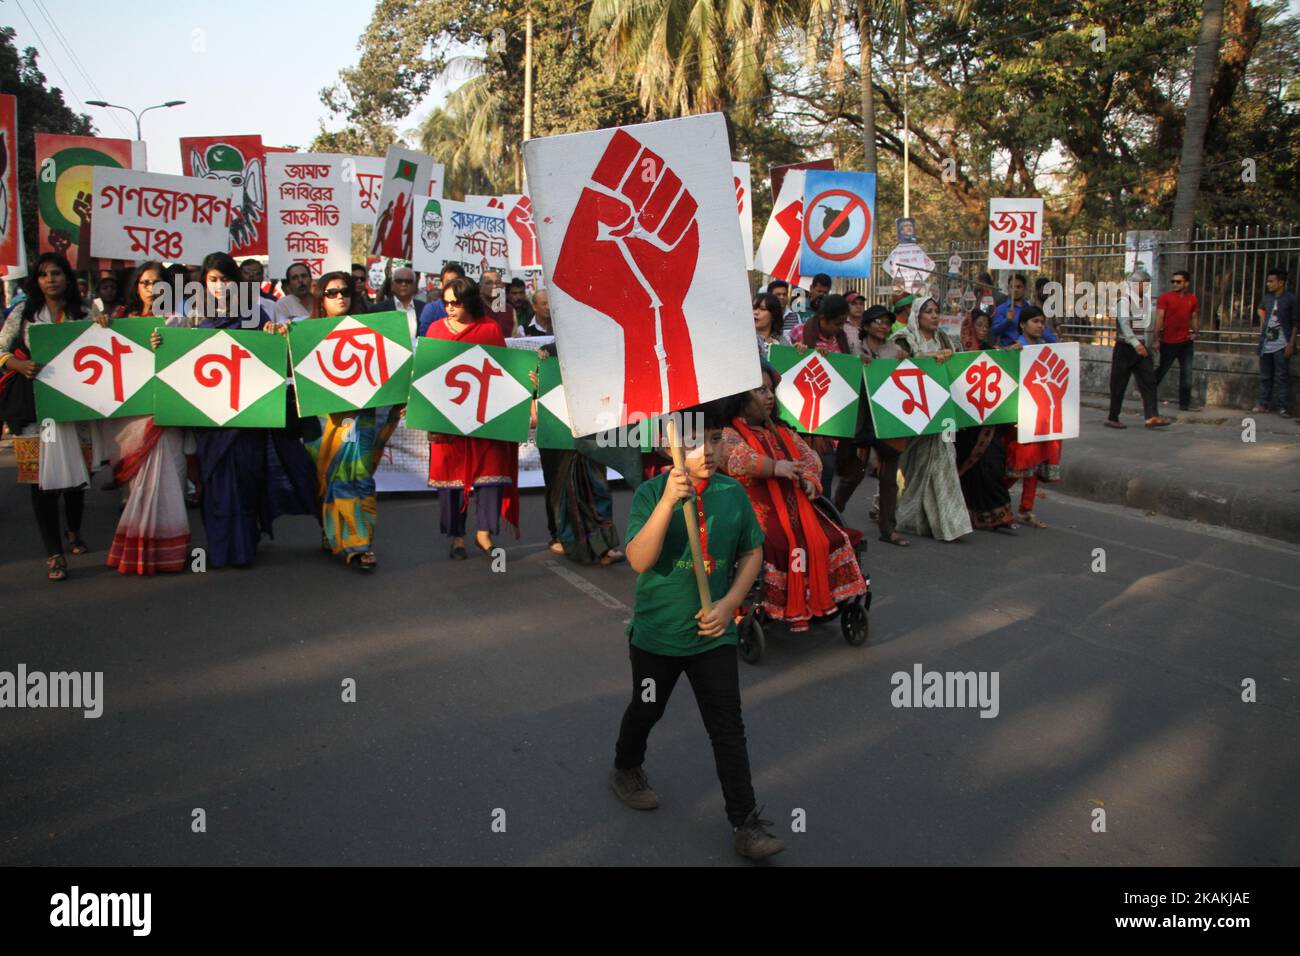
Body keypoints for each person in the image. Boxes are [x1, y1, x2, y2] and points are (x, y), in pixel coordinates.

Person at [610, 400, 784, 863]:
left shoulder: (731, 493)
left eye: (711, 439)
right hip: (657, 636)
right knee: (647, 708)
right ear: (669, 449)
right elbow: (640, 560)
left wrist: (729, 606)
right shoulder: (650, 493)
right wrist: (669, 501)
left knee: (728, 728)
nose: (704, 450)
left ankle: (745, 823)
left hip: (714, 636)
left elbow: (752, 554)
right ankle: (626, 765)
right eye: (690, 441)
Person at [179, 252, 317, 568]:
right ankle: (219, 548)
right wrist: (162, 343)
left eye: (225, 279)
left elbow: (278, 357)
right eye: (212, 280)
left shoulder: (255, 316)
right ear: (204, 283)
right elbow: (181, 360)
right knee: (215, 484)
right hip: (212, 420)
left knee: (246, 480)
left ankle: (243, 547)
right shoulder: (194, 318)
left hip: (249, 418)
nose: (219, 286)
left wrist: (278, 335)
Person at [721, 366, 868, 630]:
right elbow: (739, 459)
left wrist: (810, 480)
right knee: (784, 545)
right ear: (740, 399)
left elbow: (810, 458)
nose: (769, 397)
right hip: (755, 513)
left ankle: (812, 598)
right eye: (760, 390)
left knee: (833, 538)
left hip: (799, 509)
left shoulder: (783, 431)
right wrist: (777, 467)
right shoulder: (728, 434)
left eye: (771, 390)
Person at [0, 252, 99, 580]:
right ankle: (54, 554)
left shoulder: (85, 311)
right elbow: (0, 348)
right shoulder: (23, 311)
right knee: (40, 479)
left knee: (76, 479)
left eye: (57, 273)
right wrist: (17, 364)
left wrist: (104, 325)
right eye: (44, 274)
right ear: (36, 280)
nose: (51, 279)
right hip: (35, 406)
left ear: (68, 278)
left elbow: (107, 348)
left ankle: (73, 530)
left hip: (76, 404)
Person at [299, 271, 402, 571]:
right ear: (321, 299)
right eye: (331, 293)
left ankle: (359, 543)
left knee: (357, 477)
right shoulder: (307, 333)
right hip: (323, 421)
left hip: (362, 418)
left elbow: (391, 367)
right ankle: (333, 533)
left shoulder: (370, 332)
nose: (339, 297)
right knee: (329, 478)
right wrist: (276, 333)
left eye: (344, 291)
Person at [96, 260, 194, 574]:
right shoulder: (121, 320)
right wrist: (101, 326)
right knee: (137, 488)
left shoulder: (179, 320)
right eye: (145, 283)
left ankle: (171, 552)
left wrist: (167, 346)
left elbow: (192, 362)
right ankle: (137, 552)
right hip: (133, 417)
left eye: (158, 283)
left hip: (167, 414)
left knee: (171, 479)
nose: (152, 289)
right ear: (136, 287)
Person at [426, 277, 519, 558]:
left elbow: (501, 373)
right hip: (448, 421)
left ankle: (483, 533)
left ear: (470, 302)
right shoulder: (435, 329)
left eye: (456, 303)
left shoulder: (490, 329)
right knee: (451, 480)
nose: (450, 308)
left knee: (489, 476)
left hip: (484, 418)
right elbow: (427, 375)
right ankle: (457, 537)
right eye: (446, 303)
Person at [890, 297, 973, 542]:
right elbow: (897, 366)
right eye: (929, 312)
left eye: (937, 311)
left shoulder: (945, 340)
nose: (935, 316)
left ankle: (951, 522)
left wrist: (949, 356)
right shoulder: (903, 339)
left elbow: (958, 367)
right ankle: (910, 517)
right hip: (912, 412)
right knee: (910, 466)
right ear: (917, 315)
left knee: (944, 458)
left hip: (942, 412)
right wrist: (929, 358)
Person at [834, 305, 908, 545]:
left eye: (887, 322)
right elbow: (840, 372)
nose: (884, 325)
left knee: (888, 478)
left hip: (886, 421)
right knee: (854, 473)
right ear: (865, 325)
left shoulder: (896, 351)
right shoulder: (852, 348)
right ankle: (832, 516)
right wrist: (856, 364)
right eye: (878, 321)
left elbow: (908, 378)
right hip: (859, 420)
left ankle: (888, 529)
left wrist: (905, 363)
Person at [954, 310, 1018, 532]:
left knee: (992, 466)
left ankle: (1000, 516)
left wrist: (1012, 354)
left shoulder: (993, 352)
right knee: (970, 472)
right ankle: (973, 514)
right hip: (965, 426)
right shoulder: (957, 353)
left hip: (990, 424)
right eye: (979, 324)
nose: (983, 329)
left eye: (986, 325)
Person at [1003, 309, 1062, 528]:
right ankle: (993, 502)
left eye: (1042, 322)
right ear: (1022, 325)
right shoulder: (1014, 350)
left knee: (1036, 463)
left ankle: (1026, 509)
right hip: (1020, 415)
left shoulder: (1044, 349)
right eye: (1035, 322)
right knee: (1018, 465)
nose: (1040, 326)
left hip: (1042, 416)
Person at [1105, 286, 1171, 429]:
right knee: (1118, 384)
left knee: (1149, 380)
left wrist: (1152, 341)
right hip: (1125, 346)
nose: (1145, 287)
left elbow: (1148, 325)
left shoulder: (1145, 303)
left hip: (1141, 346)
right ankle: (1113, 417)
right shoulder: (1124, 302)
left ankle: (1152, 416)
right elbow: (1124, 325)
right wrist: (1135, 343)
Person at [1153, 270, 1201, 411]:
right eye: (1173, 281)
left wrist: (1196, 333)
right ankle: (1148, 394)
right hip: (1168, 342)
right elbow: (1159, 318)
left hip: (1185, 342)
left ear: (1186, 283)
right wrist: (1156, 339)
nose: (1175, 284)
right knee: (1162, 370)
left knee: (1187, 373)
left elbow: (1194, 317)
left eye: (1178, 281)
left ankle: (1184, 404)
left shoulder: (1192, 299)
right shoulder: (1165, 298)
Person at [1253, 267, 1296, 415]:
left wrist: (1291, 344)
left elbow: (1296, 323)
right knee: (1265, 377)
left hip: (1282, 344)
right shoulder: (1267, 298)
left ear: (1281, 282)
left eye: (1272, 281)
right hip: (1266, 344)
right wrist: (1263, 319)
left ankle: (1283, 407)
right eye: (1268, 281)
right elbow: (1260, 308)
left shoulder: (1291, 299)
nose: (1268, 284)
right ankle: (1264, 404)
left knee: (1282, 377)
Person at [991, 274, 1058, 347]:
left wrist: (1057, 341)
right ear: (1008, 289)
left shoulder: (1030, 308)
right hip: (1010, 351)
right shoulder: (1001, 309)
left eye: (1018, 287)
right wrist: (1007, 321)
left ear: (1024, 288)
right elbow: (994, 331)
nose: (1015, 290)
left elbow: (1041, 329)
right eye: (1012, 287)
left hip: (1029, 349)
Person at [372, 266, 425, 348]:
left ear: (415, 285)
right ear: (392, 285)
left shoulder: (424, 308)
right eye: (399, 281)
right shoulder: (378, 309)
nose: (403, 284)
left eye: (408, 281)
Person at [416, 262, 466, 331]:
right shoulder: (431, 309)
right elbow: (424, 338)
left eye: (456, 282)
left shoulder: (469, 309)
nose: (452, 286)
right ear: (441, 284)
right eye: (448, 282)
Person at [752, 292, 790, 359]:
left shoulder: (782, 342)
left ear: (773, 315)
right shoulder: (745, 339)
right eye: (754, 308)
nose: (755, 312)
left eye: (762, 309)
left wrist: (796, 353)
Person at [479, 269, 515, 338]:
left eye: (497, 282)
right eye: (489, 283)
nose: (494, 286)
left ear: (502, 285)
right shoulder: (473, 308)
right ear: (480, 287)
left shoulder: (509, 309)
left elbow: (514, 335)